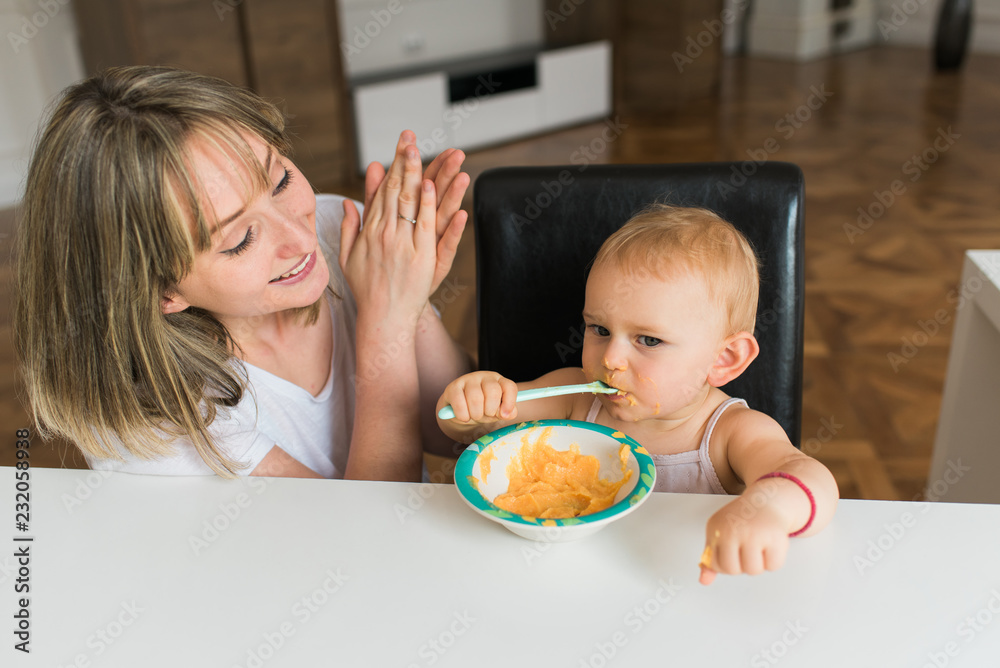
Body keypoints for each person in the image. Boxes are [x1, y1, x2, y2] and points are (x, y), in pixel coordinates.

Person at [14, 65, 472, 481]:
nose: (298, 236)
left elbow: (451, 436)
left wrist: (405, 292)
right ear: (160, 292)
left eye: (281, 181)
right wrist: (387, 319)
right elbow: (362, 537)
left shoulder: (339, 230)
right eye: (239, 240)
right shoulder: (150, 424)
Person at [436, 204, 839, 584]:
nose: (611, 359)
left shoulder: (730, 433)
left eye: (648, 339)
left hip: (682, 587)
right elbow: (463, 427)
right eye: (600, 329)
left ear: (724, 358)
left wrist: (767, 508)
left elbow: (810, 478)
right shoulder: (574, 396)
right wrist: (474, 399)